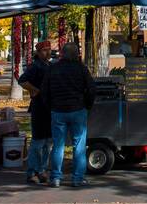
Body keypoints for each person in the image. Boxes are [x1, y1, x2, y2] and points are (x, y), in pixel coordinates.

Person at [40, 41, 95, 188]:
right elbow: (91, 89)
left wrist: (50, 106)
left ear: (62, 54)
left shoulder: (52, 69)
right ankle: (77, 178)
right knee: (79, 146)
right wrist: (87, 105)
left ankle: (56, 178)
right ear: (76, 54)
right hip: (78, 110)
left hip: (58, 110)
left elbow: (44, 91)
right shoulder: (81, 69)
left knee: (58, 145)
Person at [18, 40, 54, 184]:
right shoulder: (35, 66)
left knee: (48, 142)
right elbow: (22, 80)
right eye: (44, 50)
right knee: (38, 142)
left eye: (49, 49)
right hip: (39, 107)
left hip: (49, 108)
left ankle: (42, 169)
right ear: (38, 53)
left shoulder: (50, 66)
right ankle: (32, 171)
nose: (48, 52)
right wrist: (34, 90)